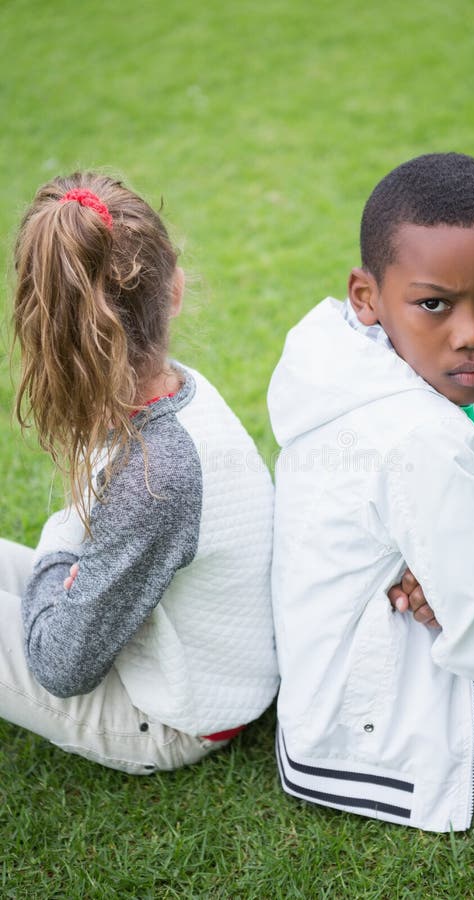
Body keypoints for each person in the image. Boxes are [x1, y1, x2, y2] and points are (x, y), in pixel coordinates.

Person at [267, 153, 474, 833]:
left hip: (387, 650)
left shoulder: (395, 351)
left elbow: (472, 515)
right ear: (367, 294)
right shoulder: (416, 433)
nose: (473, 332)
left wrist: (459, 569)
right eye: (435, 304)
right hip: (399, 727)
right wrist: (470, 577)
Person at [1, 173, 278, 774]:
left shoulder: (157, 473)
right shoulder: (180, 386)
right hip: (182, 658)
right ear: (174, 290)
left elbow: (60, 665)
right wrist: (70, 568)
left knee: (54, 564)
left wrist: (60, 550)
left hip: (176, 718)